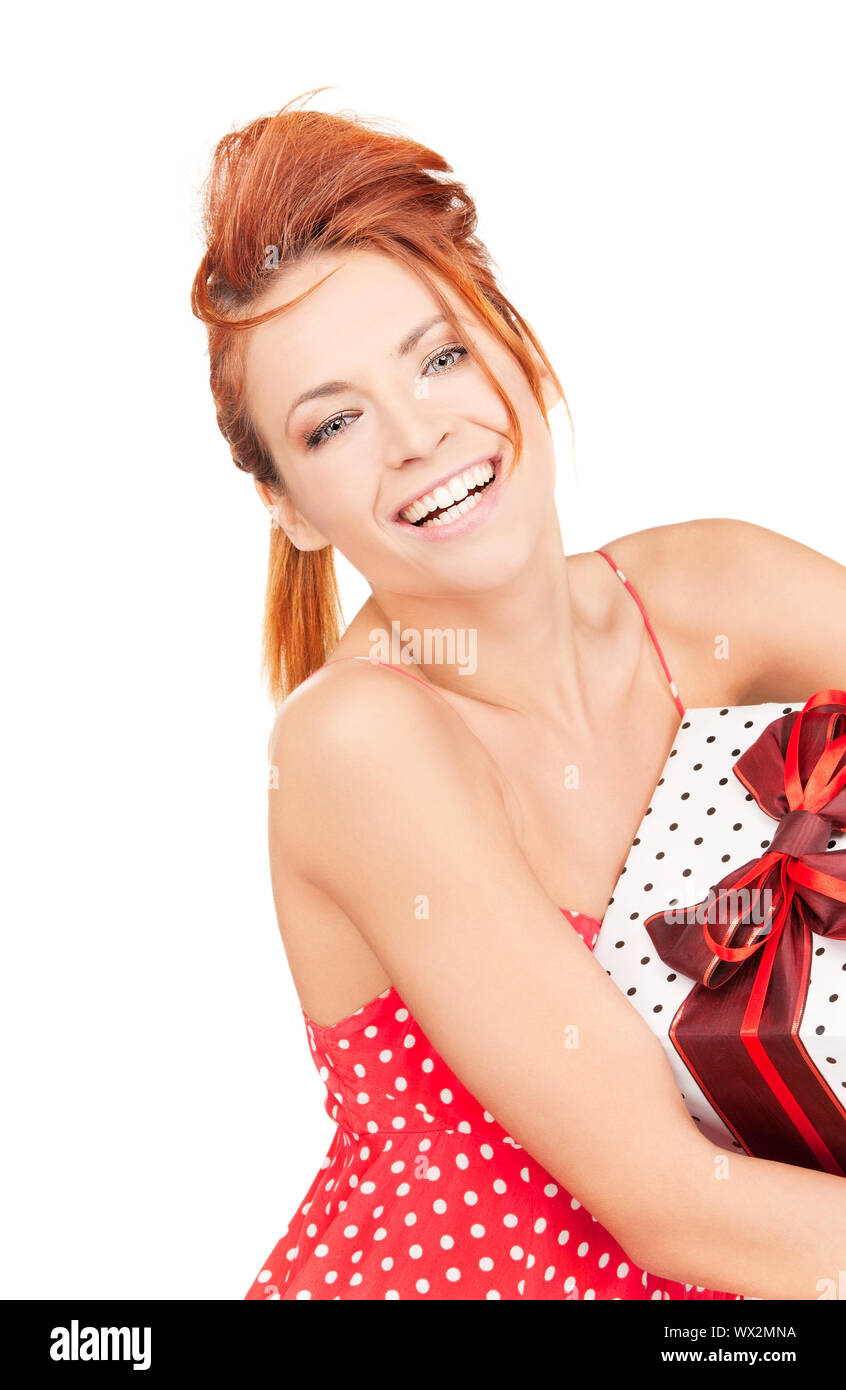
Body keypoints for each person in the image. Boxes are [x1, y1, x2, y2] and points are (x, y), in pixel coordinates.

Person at [191, 92, 846, 1300]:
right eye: (333, 424)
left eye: (439, 354)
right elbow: (675, 1204)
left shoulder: (715, 587)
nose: (416, 434)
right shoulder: (356, 743)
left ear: (505, 335)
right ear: (286, 505)